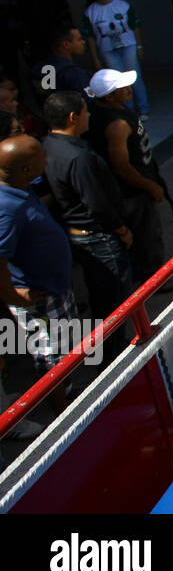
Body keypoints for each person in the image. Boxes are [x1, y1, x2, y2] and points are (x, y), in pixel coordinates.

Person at [40, 91, 134, 347]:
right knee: (113, 300)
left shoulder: (49, 145)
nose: (89, 115)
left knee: (100, 292)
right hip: (98, 237)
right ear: (73, 117)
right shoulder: (78, 158)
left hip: (79, 235)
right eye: (85, 111)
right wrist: (121, 229)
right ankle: (112, 354)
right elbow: (97, 203)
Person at [0, 134, 77, 410]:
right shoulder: (6, 208)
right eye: (40, 158)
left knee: (64, 347)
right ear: (26, 169)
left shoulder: (19, 188)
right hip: (39, 299)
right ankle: (62, 413)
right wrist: (16, 296)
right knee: (50, 358)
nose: (47, 160)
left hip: (54, 289)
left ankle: (66, 389)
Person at [85, 69, 172, 290]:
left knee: (141, 235)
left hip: (135, 185)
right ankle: (154, 281)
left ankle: (140, 272)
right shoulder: (117, 125)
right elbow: (121, 166)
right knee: (147, 235)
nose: (129, 89)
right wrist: (150, 186)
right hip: (132, 191)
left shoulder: (113, 110)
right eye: (122, 88)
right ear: (109, 96)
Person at [82, 0, 149, 119]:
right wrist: (95, 59)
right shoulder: (90, 12)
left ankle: (143, 109)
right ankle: (127, 111)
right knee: (118, 82)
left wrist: (139, 45)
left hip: (128, 45)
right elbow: (90, 37)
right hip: (108, 50)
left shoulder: (122, 5)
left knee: (135, 77)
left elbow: (135, 26)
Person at [34, 23, 93, 99]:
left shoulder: (39, 68)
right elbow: (90, 99)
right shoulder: (75, 74)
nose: (83, 42)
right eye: (79, 40)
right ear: (66, 44)